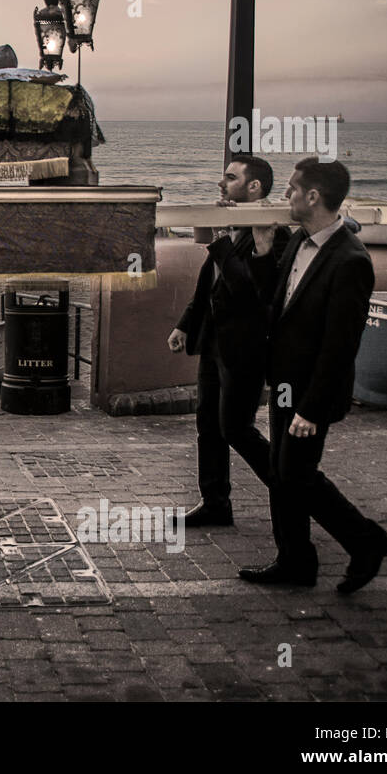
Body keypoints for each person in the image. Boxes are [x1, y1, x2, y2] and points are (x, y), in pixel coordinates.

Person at [241, 157, 387, 593]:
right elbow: (277, 303)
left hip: (311, 392)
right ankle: (295, 561)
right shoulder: (298, 242)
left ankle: (366, 541)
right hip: (284, 383)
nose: (286, 195)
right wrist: (263, 252)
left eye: (291, 189)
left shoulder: (350, 261)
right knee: (280, 470)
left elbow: (340, 344)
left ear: (313, 196)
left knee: (296, 476)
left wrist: (310, 407)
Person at [167, 155, 290, 527]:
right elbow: (211, 282)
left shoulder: (274, 233)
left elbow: (249, 292)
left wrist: (218, 239)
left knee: (236, 428)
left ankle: (291, 487)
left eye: (230, 178)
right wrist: (186, 324)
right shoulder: (234, 226)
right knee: (208, 424)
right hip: (214, 344)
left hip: (245, 350)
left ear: (255, 187)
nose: (221, 184)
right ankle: (215, 502)